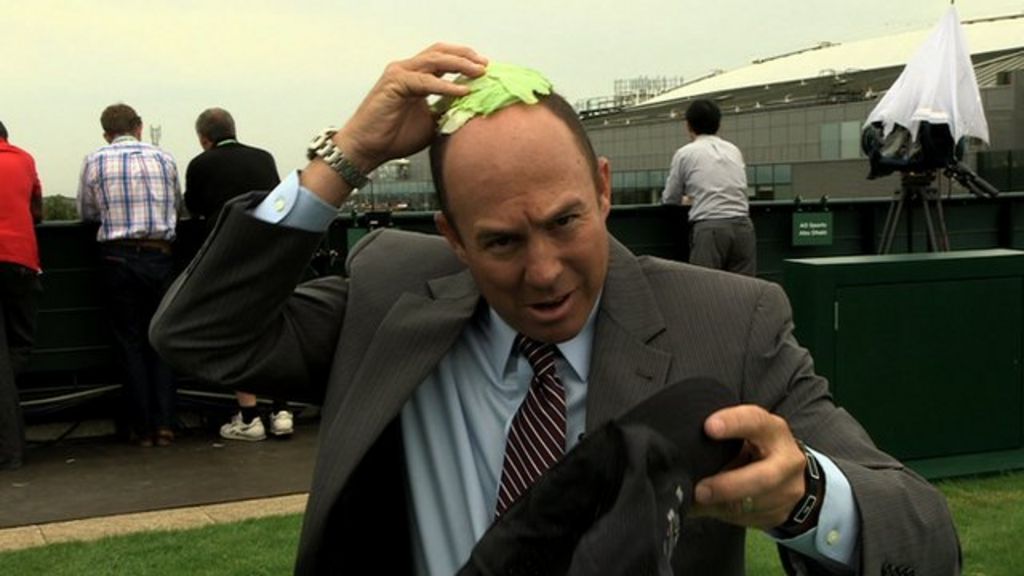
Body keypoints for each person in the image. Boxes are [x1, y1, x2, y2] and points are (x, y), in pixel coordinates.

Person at [151, 44, 959, 575]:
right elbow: (200, 334)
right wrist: (346, 157)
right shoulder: (389, 292)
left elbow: (924, 538)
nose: (544, 272)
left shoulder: (729, 323)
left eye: (566, 221)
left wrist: (805, 497)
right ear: (452, 237)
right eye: (501, 241)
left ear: (604, 190)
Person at [184, 107, 292, 441]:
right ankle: (282, 412)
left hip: (228, 256)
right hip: (269, 252)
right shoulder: (264, 158)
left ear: (204, 139)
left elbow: (194, 208)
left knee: (235, 331)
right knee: (272, 328)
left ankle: (249, 417)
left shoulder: (201, 164)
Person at [78, 103, 181, 448]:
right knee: (160, 339)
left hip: (116, 257)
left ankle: (142, 428)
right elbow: (177, 206)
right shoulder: (164, 158)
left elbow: (86, 211)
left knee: (129, 342)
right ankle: (166, 424)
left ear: (106, 134)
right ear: (139, 126)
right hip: (160, 255)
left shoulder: (94, 160)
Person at [662, 98, 757, 277]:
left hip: (710, 227)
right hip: (743, 226)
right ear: (718, 124)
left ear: (688, 125)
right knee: (744, 289)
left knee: (704, 287)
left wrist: (688, 199)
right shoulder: (733, 150)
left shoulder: (685, 153)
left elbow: (670, 198)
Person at [0, 121, 43, 470]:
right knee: (20, 346)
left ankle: (8, 448)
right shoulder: (24, 159)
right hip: (20, 262)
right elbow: (36, 210)